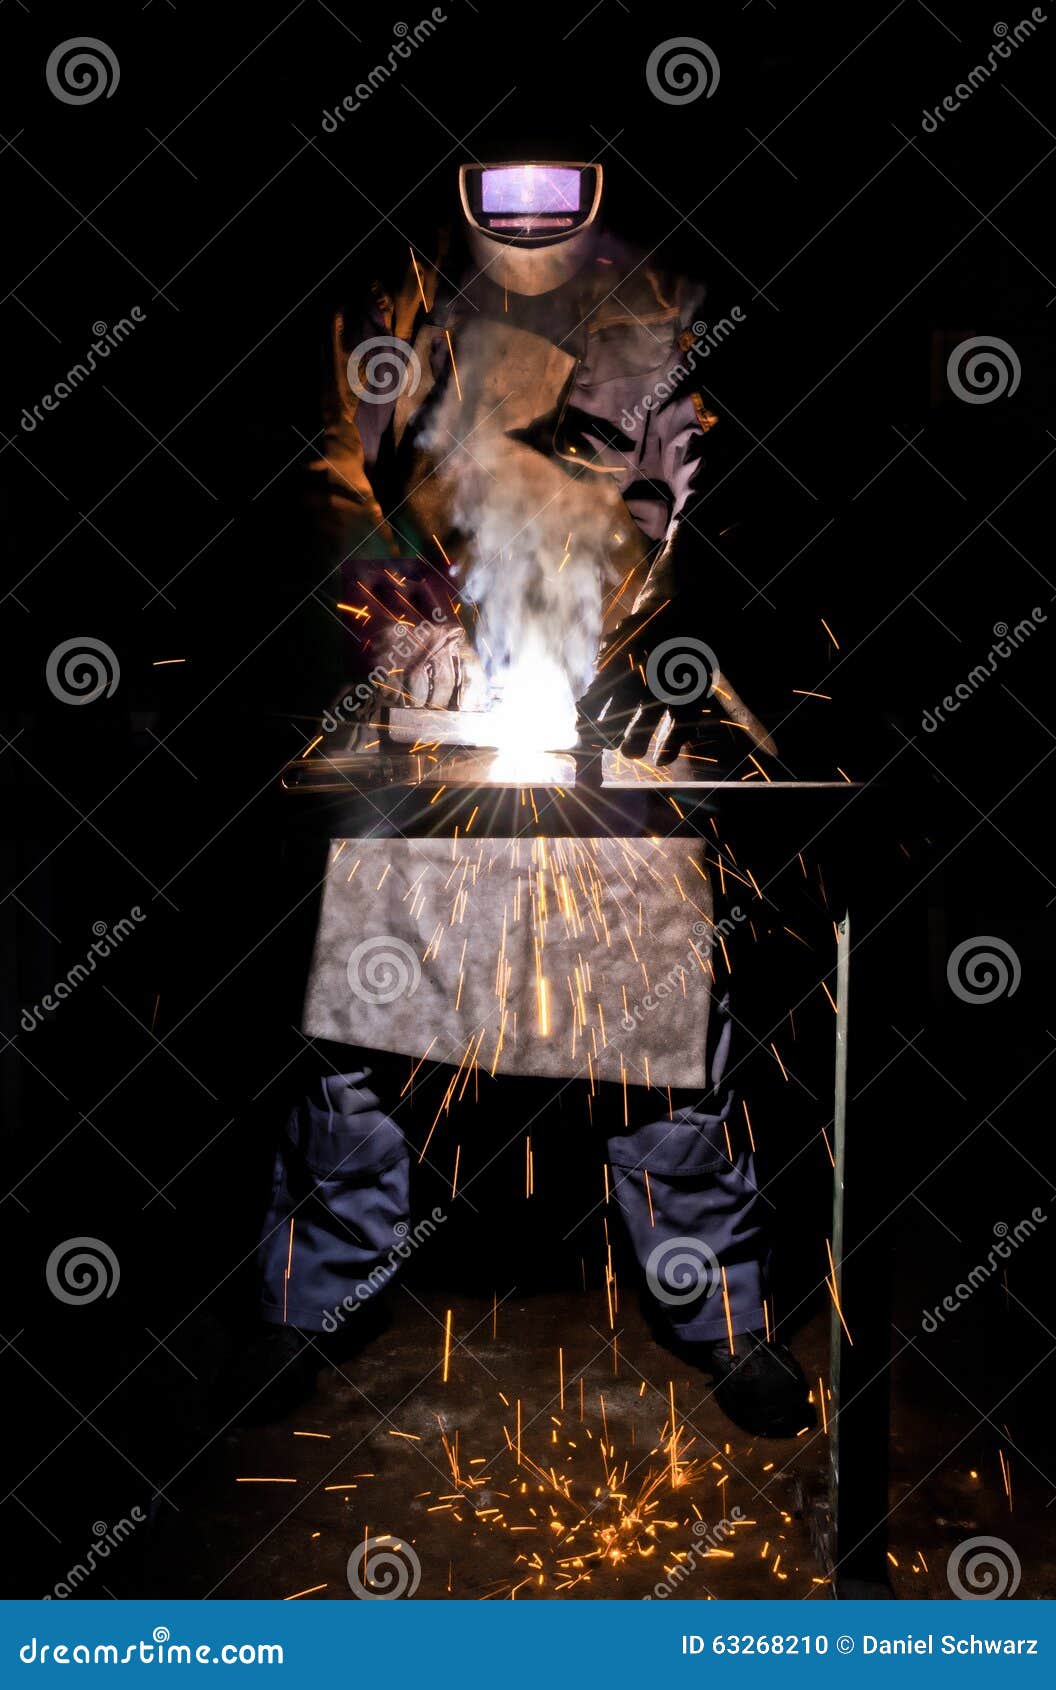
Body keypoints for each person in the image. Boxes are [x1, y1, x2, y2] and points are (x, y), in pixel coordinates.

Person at [245, 153, 813, 1438]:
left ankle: (722, 1315)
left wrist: (655, 642)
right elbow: (326, 470)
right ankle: (302, 1306)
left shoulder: (663, 303)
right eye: (502, 198)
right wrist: (387, 602)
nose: (528, 227)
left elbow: (712, 501)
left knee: (659, 1033)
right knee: (364, 1030)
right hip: (431, 697)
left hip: (602, 694)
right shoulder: (391, 298)